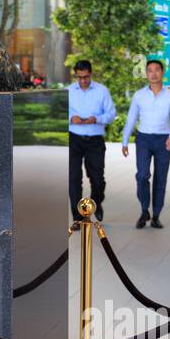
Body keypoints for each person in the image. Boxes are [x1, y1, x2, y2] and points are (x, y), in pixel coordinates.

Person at [121, 60, 170, 228]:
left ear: (163, 73)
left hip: (164, 141)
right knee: (142, 175)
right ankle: (144, 210)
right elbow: (131, 118)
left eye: (156, 70)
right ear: (146, 74)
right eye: (149, 70)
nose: (153, 73)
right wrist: (125, 141)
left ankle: (155, 215)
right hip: (144, 139)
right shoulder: (139, 95)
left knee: (160, 178)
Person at [67, 60, 116, 222]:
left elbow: (111, 115)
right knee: (73, 178)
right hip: (74, 139)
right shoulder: (68, 91)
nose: (83, 81)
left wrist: (96, 118)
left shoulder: (102, 91)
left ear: (91, 74)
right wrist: (70, 118)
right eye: (79, 77)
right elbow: (58, 112)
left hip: (95, 140)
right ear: (75, 75)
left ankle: (95, 203)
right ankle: (78, 216)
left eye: (86, 77)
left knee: (97, 179)